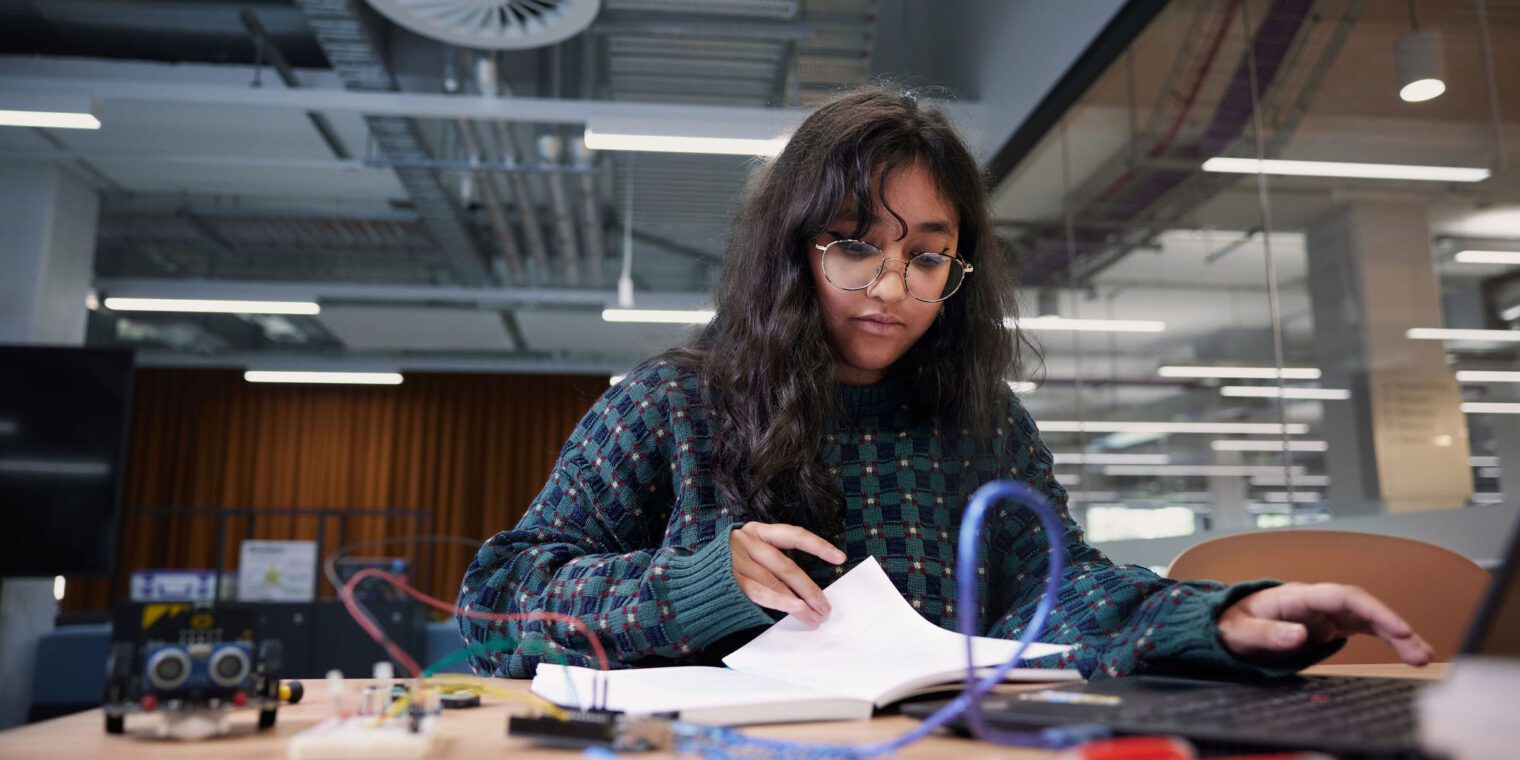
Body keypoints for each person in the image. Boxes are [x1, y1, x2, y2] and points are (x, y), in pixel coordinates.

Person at [457, 85, 1432, 680]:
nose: (891, 286)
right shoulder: (667, 402)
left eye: (927, 257)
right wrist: (699, 581)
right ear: (787, 250)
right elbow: (499, 602)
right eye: (854, 246)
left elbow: (1055, 594)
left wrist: (1211, 616)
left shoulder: (978, 419)